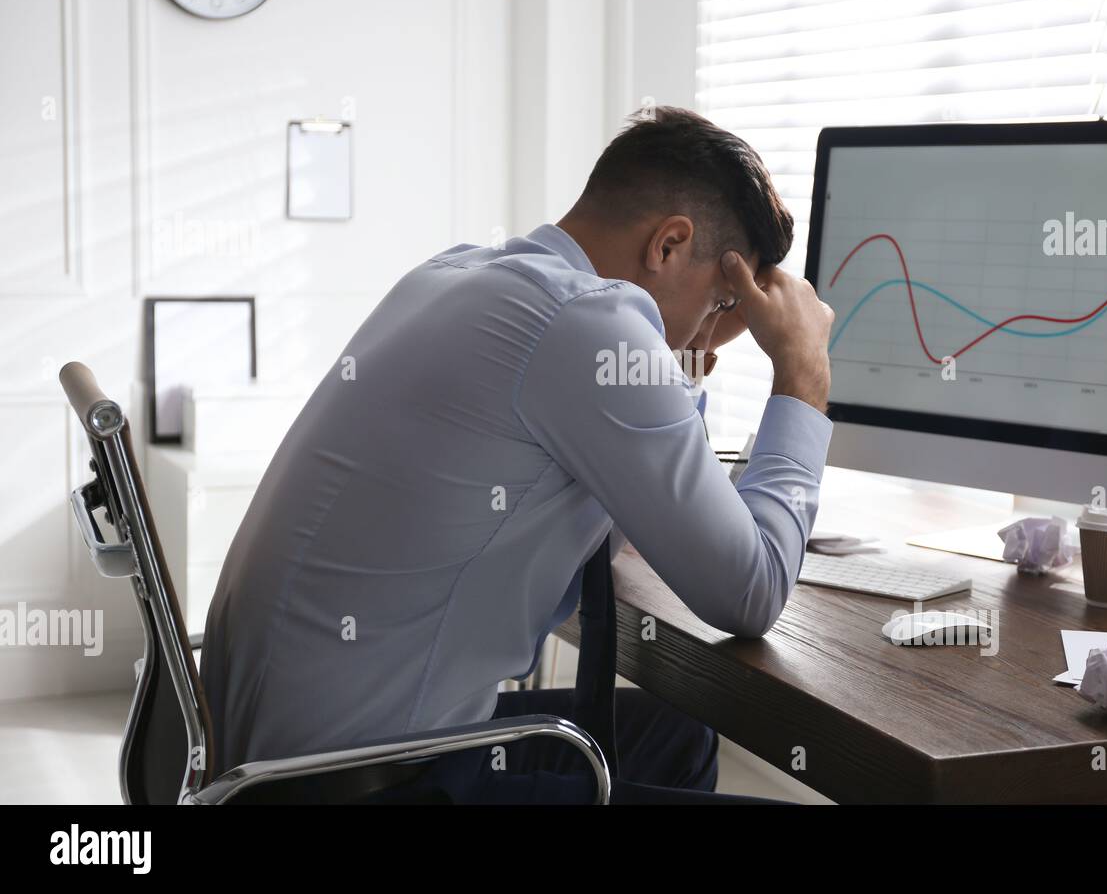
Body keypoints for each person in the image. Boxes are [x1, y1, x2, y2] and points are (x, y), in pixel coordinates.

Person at [201, 106, 834, 803]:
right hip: (365, 785)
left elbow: (621, 514)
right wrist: (801, 375)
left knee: (677, 734)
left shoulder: (456, 273)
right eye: (719, 303)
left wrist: (684, 358)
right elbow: (752, 590)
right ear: (669, 244)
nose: (711, 332)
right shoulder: (591, 326)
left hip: (266, 764)